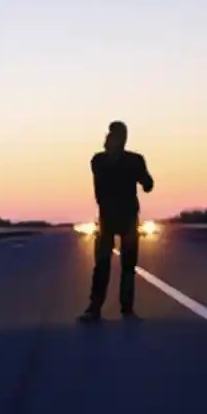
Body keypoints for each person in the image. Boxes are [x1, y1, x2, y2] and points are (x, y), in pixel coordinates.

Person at [79, 121, 154, 322]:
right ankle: (113, 309)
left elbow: (147, 184)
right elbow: (147, 184)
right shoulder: (111, 160)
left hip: (117, 217)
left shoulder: (104, 160)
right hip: (117, 217)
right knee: (114, 265)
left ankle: (102, 308)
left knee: (115, 264)